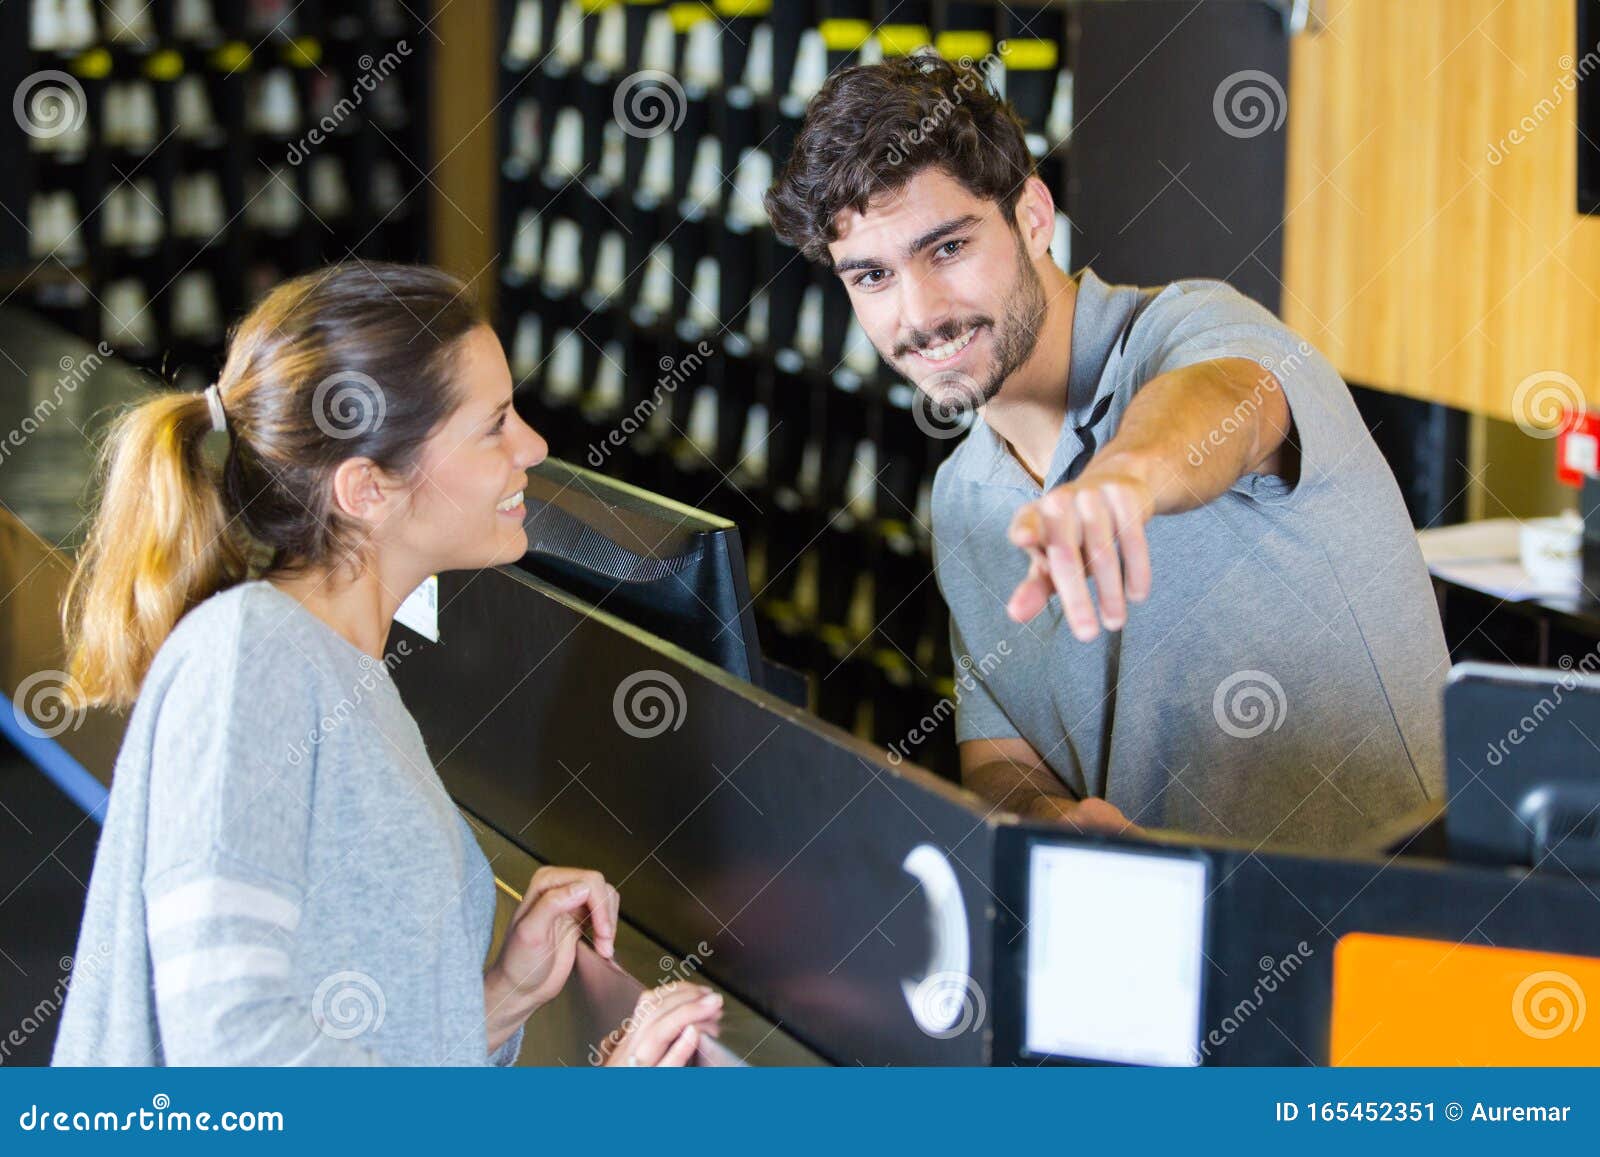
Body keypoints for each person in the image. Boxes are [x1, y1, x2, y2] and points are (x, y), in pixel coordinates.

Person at [765, 56, 1448, 851]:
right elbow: (1003, 753)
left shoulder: (1191, 330)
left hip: (1393, 930)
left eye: (946, 248)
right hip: (1173, 945)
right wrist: (1053, 820)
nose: (919, 314)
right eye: (873, 275)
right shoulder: (964, 496)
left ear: (1032, 216)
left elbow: (1234, 401)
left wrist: (1125, 476)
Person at [51, 263, 722, 1065]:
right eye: (494, 424)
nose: (534, 447)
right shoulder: (251, 657)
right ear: (367, 488)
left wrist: (503, 995)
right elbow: (236, 1059)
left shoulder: (342, 672)